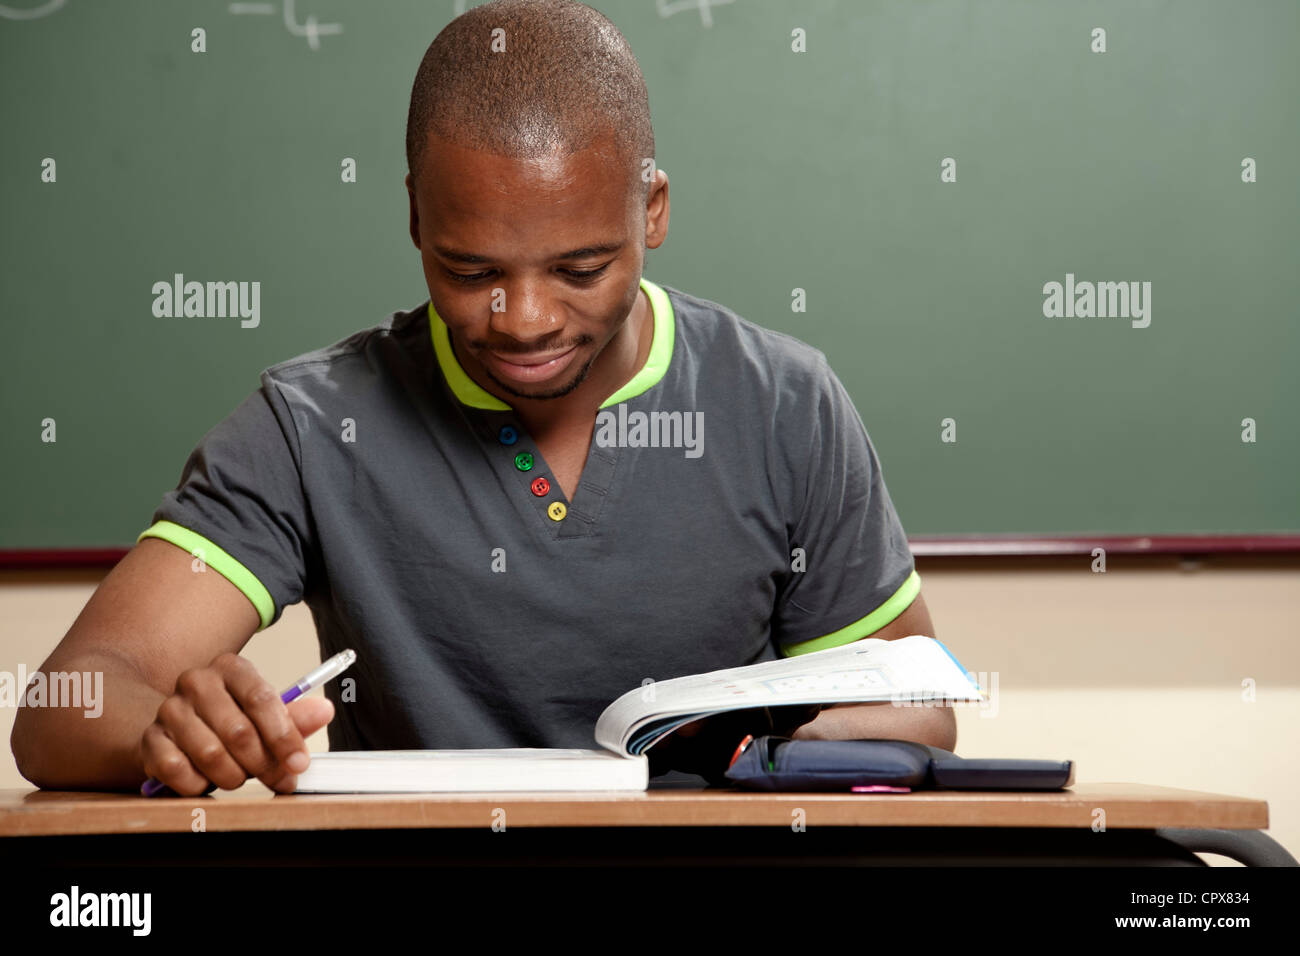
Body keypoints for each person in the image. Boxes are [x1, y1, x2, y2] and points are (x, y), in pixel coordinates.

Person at [11, 0, 953, 795]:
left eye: (581, 268)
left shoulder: (785, 404)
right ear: (416, 215)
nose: (525, 320)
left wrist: (799, 749)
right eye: (469, 271)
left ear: (653, 211)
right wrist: (170, 731)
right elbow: (69, 703)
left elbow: (924, 706)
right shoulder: (310, 426)